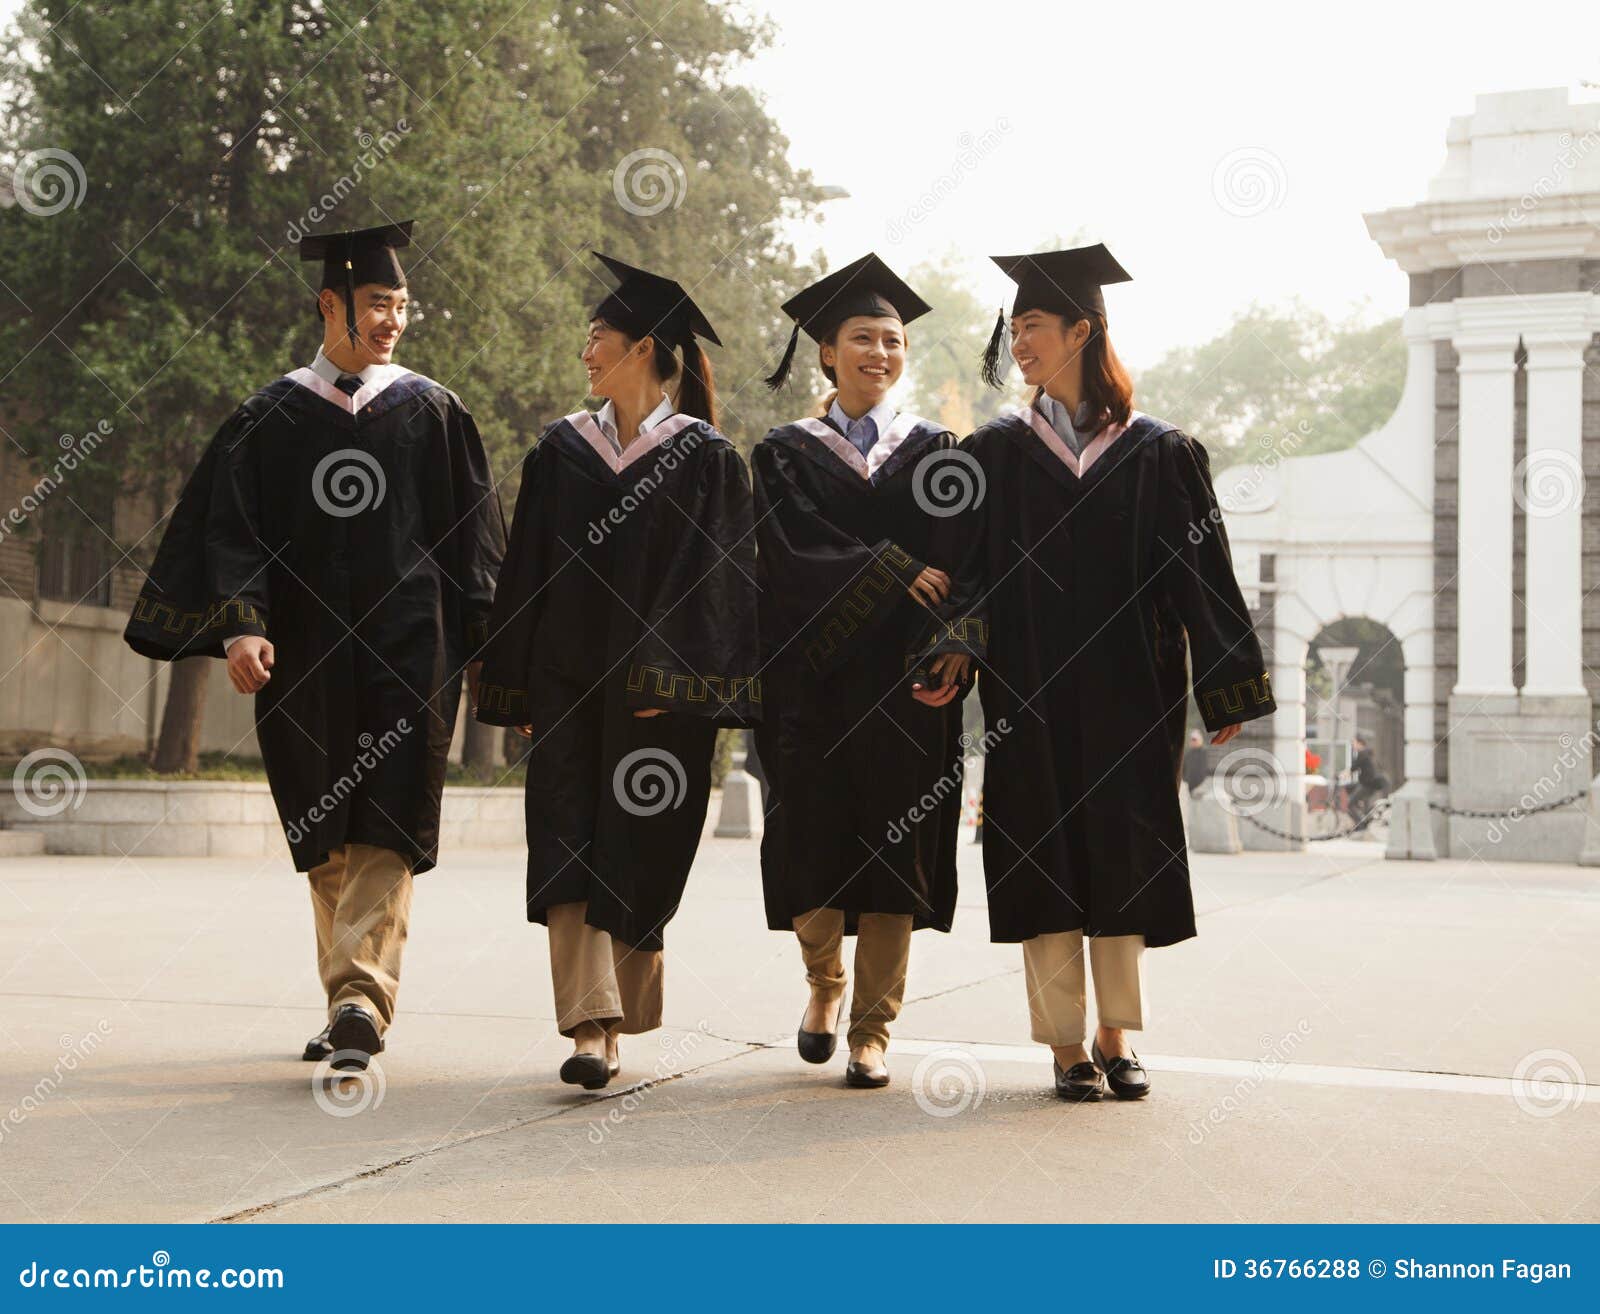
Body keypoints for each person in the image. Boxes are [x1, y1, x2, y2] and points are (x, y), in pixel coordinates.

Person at [124, 221, 506, 1072]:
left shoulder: (432, 412)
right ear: (330, 303)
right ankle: (344, 999)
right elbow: (234, 531)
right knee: (324, 824)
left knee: (388, 821)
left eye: (402, 306)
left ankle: (362, 998)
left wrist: (486, 643)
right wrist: (243, 621)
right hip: (304, 647)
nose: (393, 321)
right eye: (378, 304)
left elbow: (473, 539)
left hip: (412, 648)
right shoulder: (270, 416)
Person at [965, 243, 1276, 1102]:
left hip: (1131, 691)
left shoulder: (1158, 453)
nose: (1018, 342)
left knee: (1121, 848)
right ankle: (1065, 1044)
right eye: (1013, 328)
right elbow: (963, 569)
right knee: (1042, 849)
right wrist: (948, 652)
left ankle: (1115, 1033)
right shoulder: (994, 455)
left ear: (1082, 329)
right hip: (1025, 690)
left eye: (1031, 325)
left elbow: (1202, 571)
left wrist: (1226, 682)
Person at [475, 254, 759, 1091]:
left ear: (642, 348)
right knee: (566, 840)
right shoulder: (562, 453)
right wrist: (519, 682)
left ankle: (623, 1011)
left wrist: (665, 680)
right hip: (567, 687)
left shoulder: (707, 461)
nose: (586, 350)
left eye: (597, 336)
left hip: (661, 705)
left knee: (640, 850)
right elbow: (524, 571)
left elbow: (722, 587)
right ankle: (591, 1024)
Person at [755, 253, 985, 1089]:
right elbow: (785, 552)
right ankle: (824, 984)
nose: (880, 352)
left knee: (898, 858)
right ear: (826, 351)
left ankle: (873, 1031)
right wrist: (889, 569)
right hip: (811, 682)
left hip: (904, 683)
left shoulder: (940, 452)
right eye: (863, 338)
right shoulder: (783, 455)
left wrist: (956, 642)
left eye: (893, 340)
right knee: (812, 846)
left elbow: (968, 560)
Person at [1347, 733, 1388, 823]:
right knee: (1364, 804)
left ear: (1359, 743)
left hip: (1368, 784)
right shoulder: (1369, 753)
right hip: (1374, 783)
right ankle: (1366, 819)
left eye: (1353, 743)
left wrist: (1341, 774)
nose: (1352, 745)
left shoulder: (1362, 754)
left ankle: (1361, 825)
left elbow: (1353, 768)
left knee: (1349, 804)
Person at [1181, 727, 1210, 796]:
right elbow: (1183, 768)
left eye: (1195, 740)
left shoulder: (1204, 752)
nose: (1193, 742)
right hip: (1188, 786)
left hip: (1201, 786)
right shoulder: (1188, 754)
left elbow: (1205, 770)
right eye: (1192, 740)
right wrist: (1185, 780)